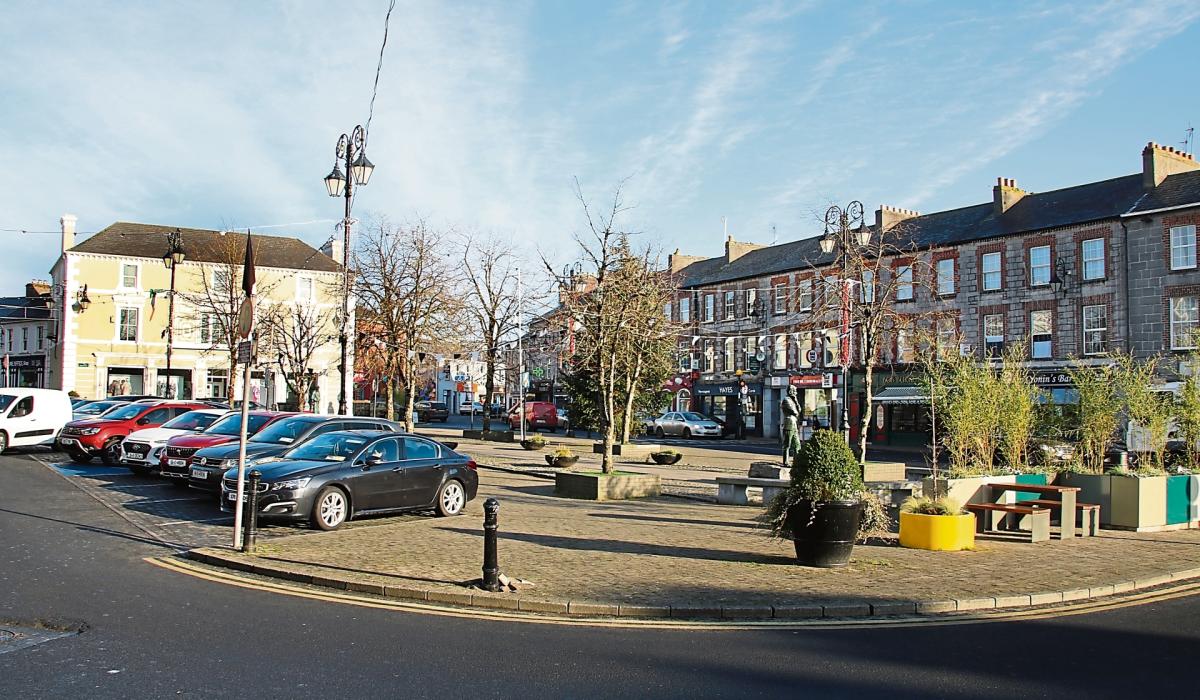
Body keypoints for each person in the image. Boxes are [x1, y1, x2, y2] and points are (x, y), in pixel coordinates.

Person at [780, 385, 802, 466]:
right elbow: (795, 412)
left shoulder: (793, 400)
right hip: (789, 424)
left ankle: (796, 462)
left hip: (794, 424)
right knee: (787, 444)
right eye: (794, 391)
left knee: (797, 444)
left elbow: (799, 410)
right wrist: (795, 407)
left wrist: (796, 401)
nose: (796, 393)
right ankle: (785, 462)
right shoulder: (786, 400)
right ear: (790, 391)